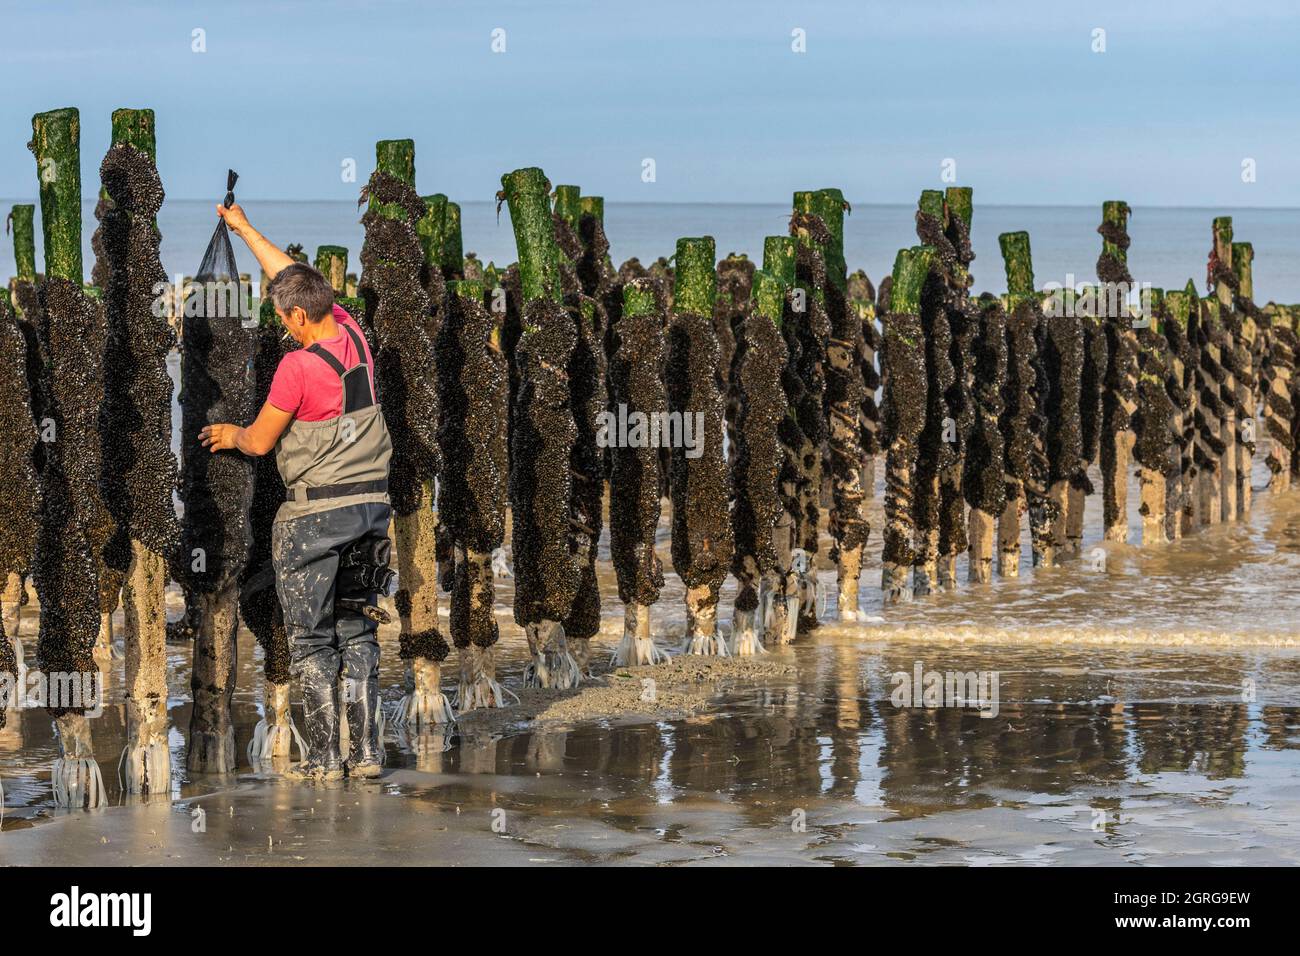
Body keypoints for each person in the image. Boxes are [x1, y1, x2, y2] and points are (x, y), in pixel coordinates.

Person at [199, 203, 392, 780]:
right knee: (358, 628)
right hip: (372, 510)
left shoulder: (296, 367)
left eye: (284, 317)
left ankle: (325, 761)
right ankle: (366, 755)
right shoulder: (353, 331)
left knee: (309, 641)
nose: (282, 323)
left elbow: (259, 443)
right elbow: (294, 275)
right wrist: (245, 230)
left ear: (300, 320)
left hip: (315, 517)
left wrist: (228, 432)